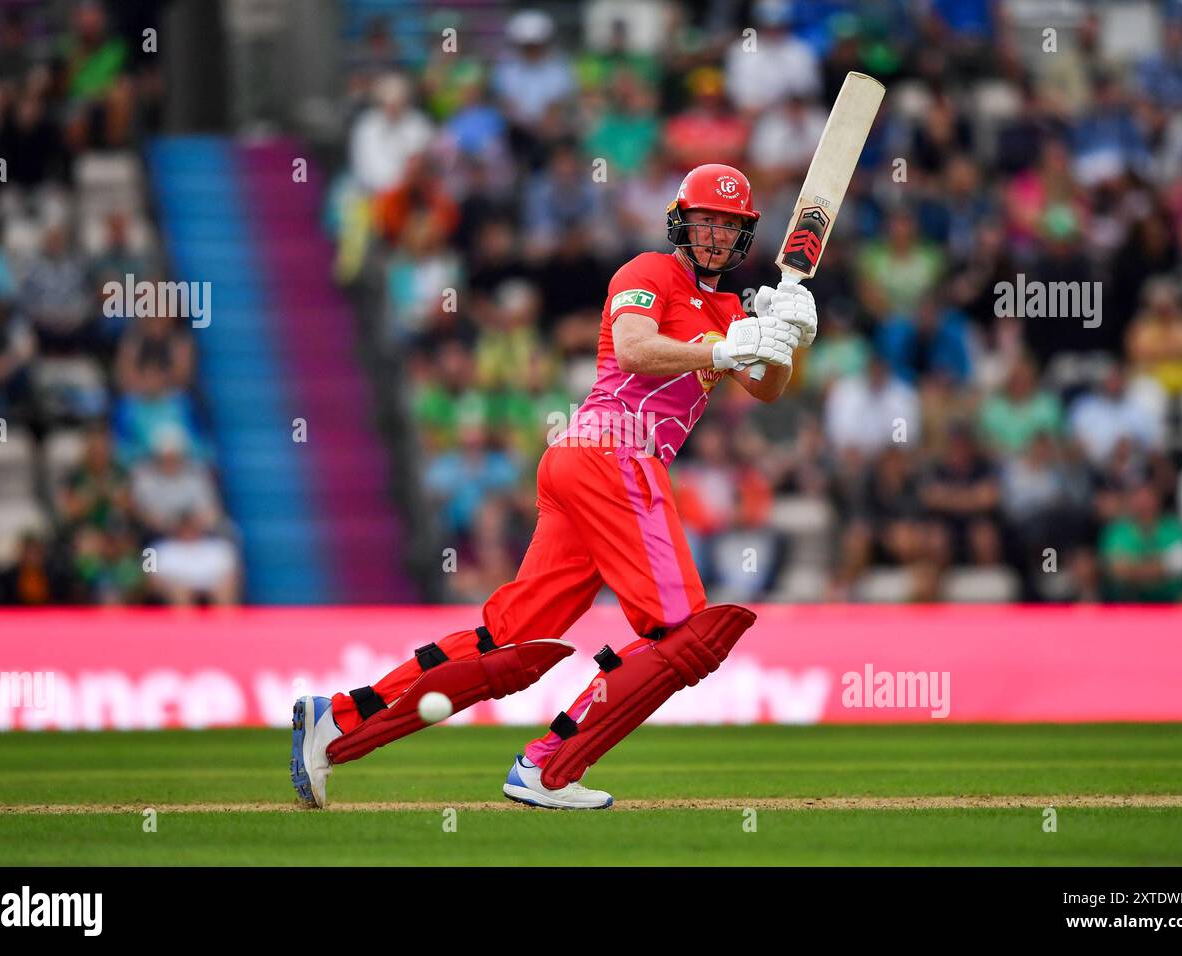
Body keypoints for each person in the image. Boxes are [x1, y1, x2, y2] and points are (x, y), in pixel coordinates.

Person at [290, 164, 814, 809]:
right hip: (611, 452)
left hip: (588, 467)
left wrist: (791, 337)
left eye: (729, 225)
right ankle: (547, 765)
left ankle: (339, 719)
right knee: (684, 632)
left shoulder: (733, 309)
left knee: (509, 644)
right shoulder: (648, 272)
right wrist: (725, 348)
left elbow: (767, 386)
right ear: (682, 221)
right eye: (706, 220)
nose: (715, 235)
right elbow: (634, 350)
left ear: (743, 236)